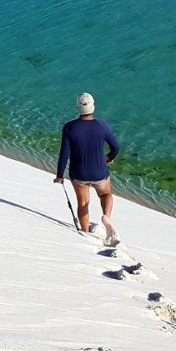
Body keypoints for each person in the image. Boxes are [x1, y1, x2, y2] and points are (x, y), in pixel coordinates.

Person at [54, 93, 120, 244]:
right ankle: (106, 217)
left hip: (79, 174)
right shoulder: (102, 125)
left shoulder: (69, 127)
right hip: (99, 172)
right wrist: (109, 157)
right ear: (93, 106)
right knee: (105, 194)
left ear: (77, 108)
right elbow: (116, 147)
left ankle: (85, 233)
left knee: (83, 203)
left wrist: (59, 175)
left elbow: (64, 154)